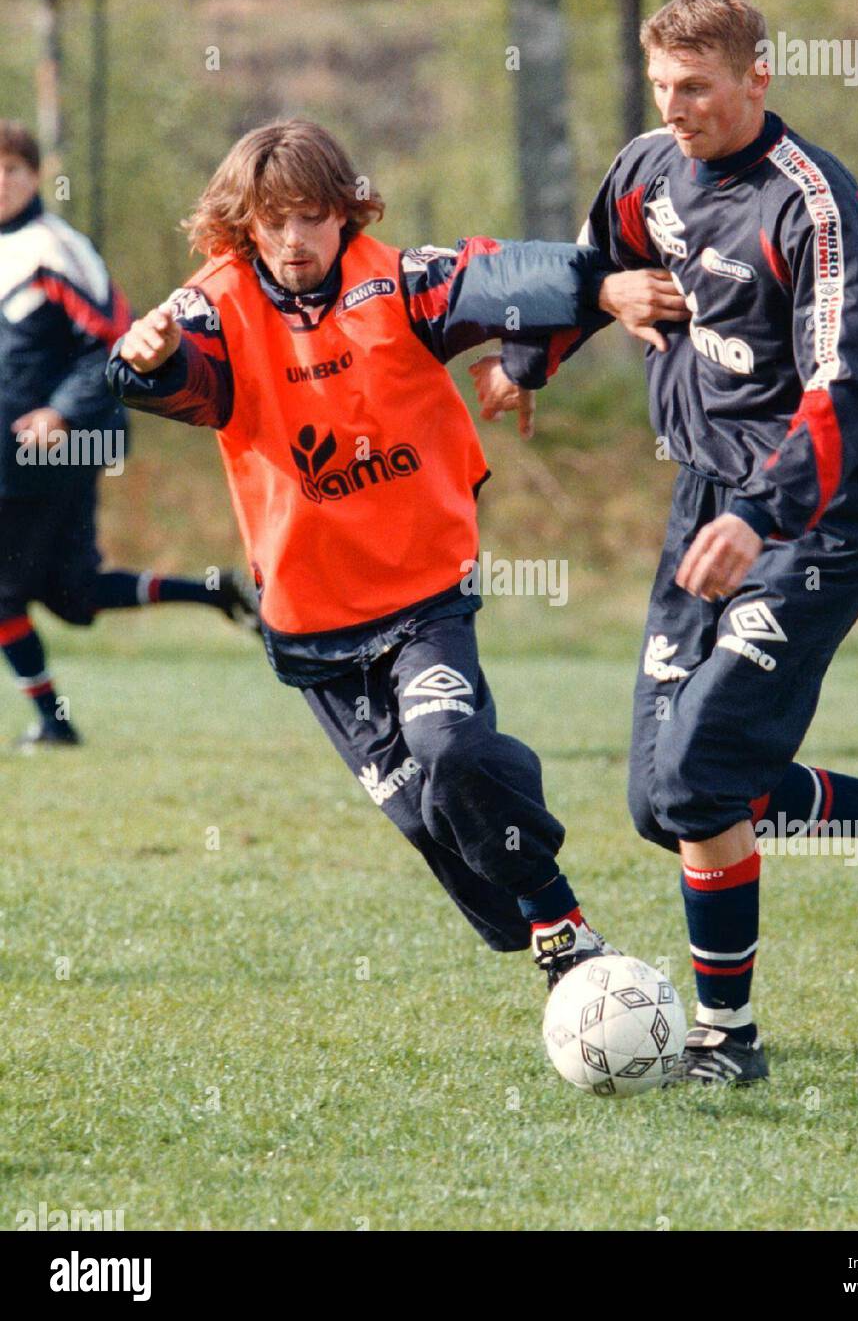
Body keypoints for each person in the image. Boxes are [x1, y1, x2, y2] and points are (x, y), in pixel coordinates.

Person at [473, 0, 858, 1083]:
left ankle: (724, 1041)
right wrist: (529, 358)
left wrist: (760, 513)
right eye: (661, 86)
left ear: (756, 78)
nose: (676, 107)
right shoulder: (648, 166)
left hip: (814, 520)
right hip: (706, 506)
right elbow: (597, 268)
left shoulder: (815, 212)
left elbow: (848, 388)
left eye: (696, 87)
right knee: (663, 802)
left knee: (698, 776)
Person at [106, 118, 640, 984]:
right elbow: (182, 379)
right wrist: (147, 364)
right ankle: (537, 919)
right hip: (312, 626)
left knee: (454, 751)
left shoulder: (398, 282)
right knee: (433, 820)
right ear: (241, 224)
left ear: (345, 215)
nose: (292, 239)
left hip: (423, 596)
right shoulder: (214, 306)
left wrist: (599, 285)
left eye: (311, 216)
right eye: (271, 220)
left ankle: (566, 934)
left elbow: (501, 276)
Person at [0, 121, 257, 751]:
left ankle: (56, 723)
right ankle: (211, 592)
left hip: (57, 448)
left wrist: (61, 413)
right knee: (72, 592)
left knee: (5, 594)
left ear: (34, 176)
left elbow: (116, 343)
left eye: (10, 170)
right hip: (18, 458)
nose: (0, 183)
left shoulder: (54, 249)